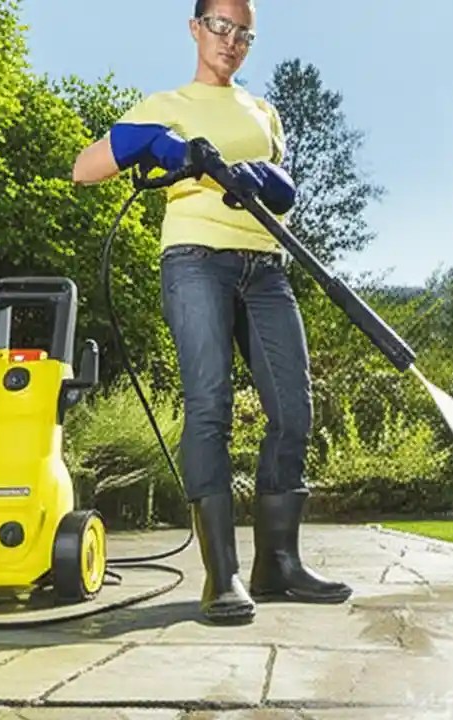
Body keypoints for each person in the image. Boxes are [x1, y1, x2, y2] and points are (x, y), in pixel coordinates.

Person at [71, 0, 352, 624]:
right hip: (194, 260)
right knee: (210, 404)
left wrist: (269, 181)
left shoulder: (263, 111)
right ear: (196, 28)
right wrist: (152, 143)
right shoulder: (166, 102)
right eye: (220, 26)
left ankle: (277, 564)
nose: (232, 40)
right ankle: (221, 577)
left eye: (244, 33)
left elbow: (284, 192)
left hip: (266, 269)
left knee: (294, 411)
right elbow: (84, 168)